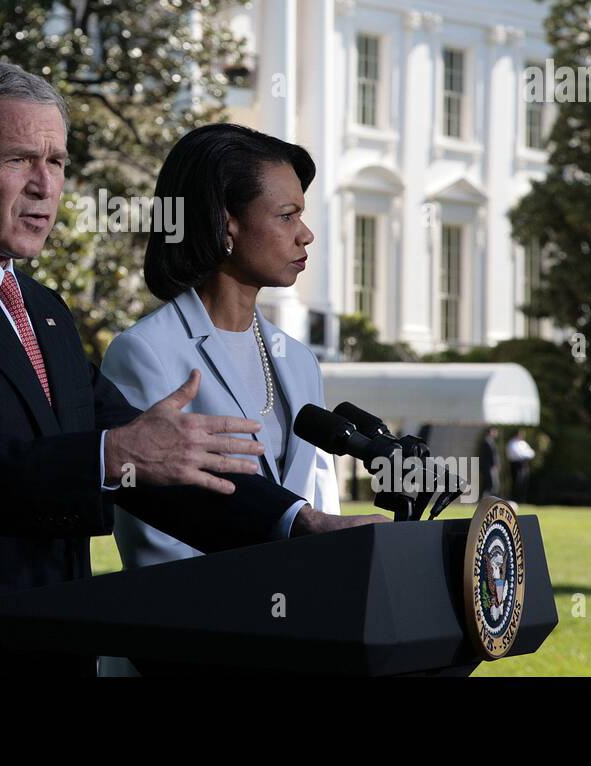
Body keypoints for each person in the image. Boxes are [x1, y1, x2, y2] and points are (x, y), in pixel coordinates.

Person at [0, 62, 340, 677]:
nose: (44, 186)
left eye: (56, 162)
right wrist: (105, 457)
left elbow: (159, 464)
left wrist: (299, 523)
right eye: (19, 160)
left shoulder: (44, 311)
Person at [98, 123, 387, 675]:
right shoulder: (144, 353)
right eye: (287, 216)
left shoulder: (298, 360)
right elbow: (157, 542)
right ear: (225, 222)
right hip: (192, 655)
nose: (306, 235)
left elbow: (317, 509)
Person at [506, 429, 536, 502]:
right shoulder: (512, 443)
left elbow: (531, 453)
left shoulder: (523, 443)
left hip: (524, 464)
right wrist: (525, 454)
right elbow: (517, 454)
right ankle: (515, 498)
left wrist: (525, 454)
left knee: (524, 482)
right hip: (516, 464)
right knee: (516, 481)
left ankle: (522, 498)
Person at [479, 426, 501, 499]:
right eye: (495, 431)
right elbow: (489, 456)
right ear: (491, 432)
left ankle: (488, 499)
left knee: (491, 484)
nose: (496, 433)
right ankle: (485, 499)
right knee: (489, 484)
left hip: (491, 467)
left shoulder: (491, 442)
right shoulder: (486, 442)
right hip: (488, 467)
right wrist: (494, 465)